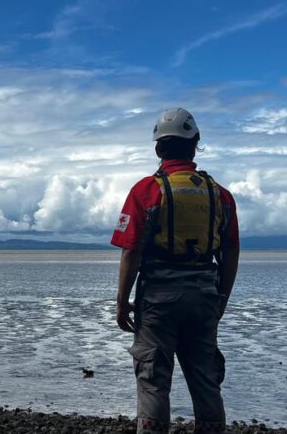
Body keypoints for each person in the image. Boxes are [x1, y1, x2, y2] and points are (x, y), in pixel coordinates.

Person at [111, 108, 240, 434]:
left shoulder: (145, 191)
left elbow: (131, 251)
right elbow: (231, 251)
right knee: (206, 379)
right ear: (195, 144)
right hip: (204, 297)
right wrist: (221, 298)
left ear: (158, 148)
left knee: (154, 380)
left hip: (158, 300)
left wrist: (121, 301)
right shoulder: (220, 195)